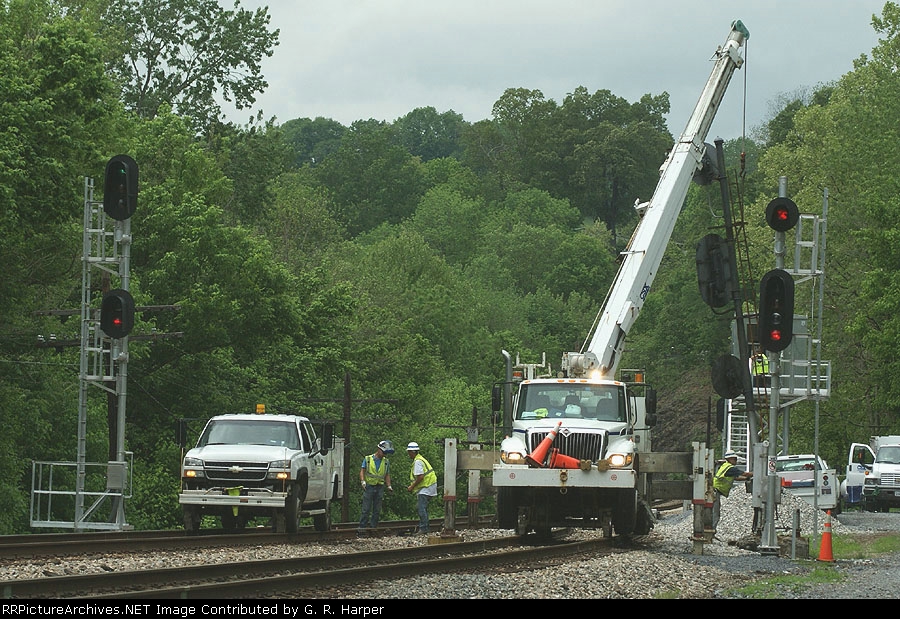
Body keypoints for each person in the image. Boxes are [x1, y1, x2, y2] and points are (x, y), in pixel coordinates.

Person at [712, 450, 753, 531]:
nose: (736, 460)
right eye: (734, 459)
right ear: (729, 459)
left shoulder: (725, 466)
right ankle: (711, 531)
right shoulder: (730, 468)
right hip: (715, 491)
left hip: (714, 491)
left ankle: (710, 530)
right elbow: (745, 474)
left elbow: (736, 478)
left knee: (714, 512)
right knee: (715, 514)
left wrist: (746, 478)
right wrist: (755, 473)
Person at [358, 440, 394, 534]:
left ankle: (373, 528)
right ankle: (362, 529)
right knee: (366, 509)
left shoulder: (386, 462)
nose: (385, 455)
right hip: (369, 487)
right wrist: (363, 481)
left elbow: (387, 475)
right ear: (379, 449)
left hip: (380, 487)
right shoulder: (368, 459)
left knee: (377, 510)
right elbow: (362, 470)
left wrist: (389, 485)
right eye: (384, 452)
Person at [405, 441, 438, 534]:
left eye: (409, 452)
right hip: (429, 486)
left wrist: (412, 486)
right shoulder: (421, 459)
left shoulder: (418, 461)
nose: (408, 454)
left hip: (426, 487)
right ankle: (425, 527)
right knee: (423, 508)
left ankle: (423, 528)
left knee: (421, 508)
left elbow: (420, 477)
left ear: (412, 452)